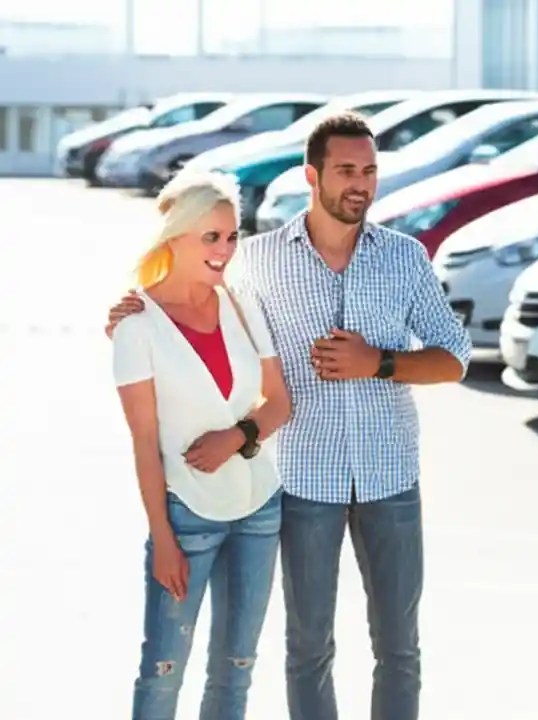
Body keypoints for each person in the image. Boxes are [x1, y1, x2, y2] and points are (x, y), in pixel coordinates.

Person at [107, 111, 472, 720]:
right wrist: (131, 312)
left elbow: (454, 359)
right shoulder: (258, 261)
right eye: (346, 170)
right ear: (312, 175)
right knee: (306, 648)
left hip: (391, 476)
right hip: (303, 480)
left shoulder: (405, 258)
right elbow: (195, 293)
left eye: (370, 171)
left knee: (400, 649)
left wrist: (377, 362)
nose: (360, 183)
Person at [112, 169, 291, 720]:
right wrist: (161, 538)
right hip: (185, 517)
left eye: (232, 236)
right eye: (211, 237)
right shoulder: (136, 326)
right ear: (176, 238)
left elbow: (279, 401)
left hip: (260, 508)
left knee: (235, 669)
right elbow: (144, 443)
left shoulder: (241, 305)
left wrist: (236, 438)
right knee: (163, 672)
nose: (225, 250)